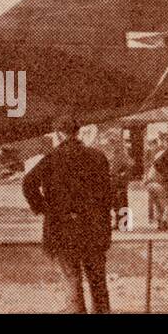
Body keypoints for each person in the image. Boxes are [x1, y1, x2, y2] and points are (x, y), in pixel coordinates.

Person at [21, 115, 117, 313]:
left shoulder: (52, 159)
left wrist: (43, 208)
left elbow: (28, 183)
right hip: (93, 228)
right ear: (78, 132)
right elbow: (108, 195)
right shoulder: (98, 157)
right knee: (98, 282)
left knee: (72, 280)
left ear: (58, 134)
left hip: (63, 228)